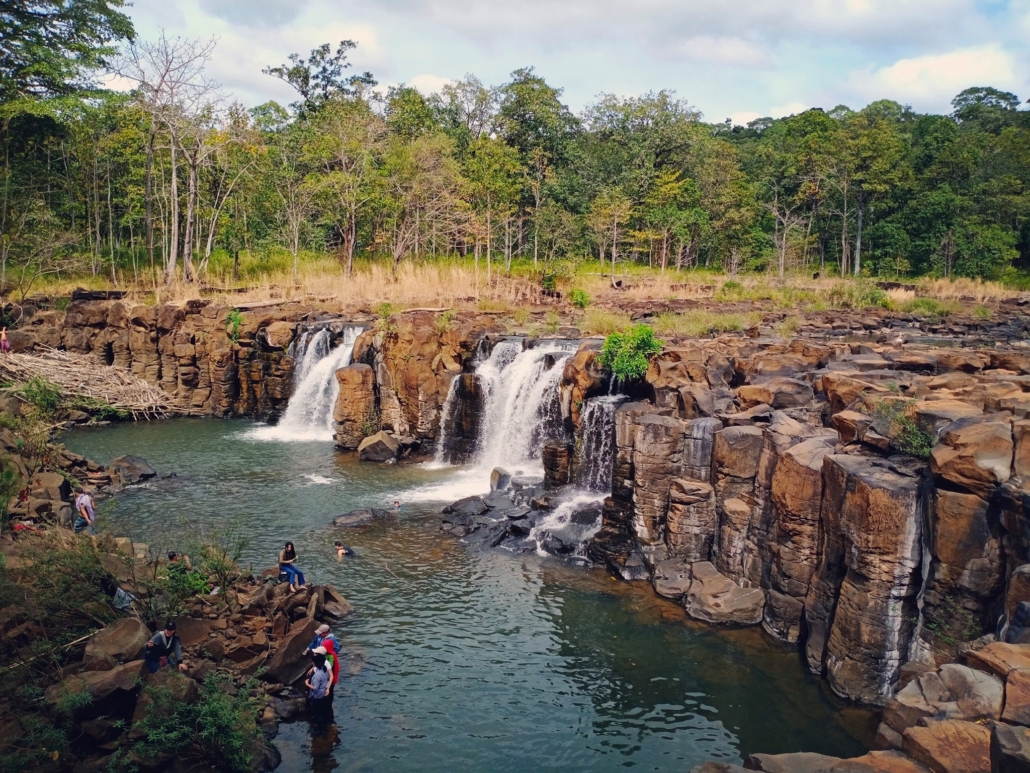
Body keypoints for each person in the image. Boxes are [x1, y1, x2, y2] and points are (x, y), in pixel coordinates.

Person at [305, 652, 332, 731]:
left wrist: (307, 684)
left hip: (317, 696)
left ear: (315, 663)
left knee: (317, 713)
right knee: (322, 712)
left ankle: (320, 729)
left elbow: (315, 688)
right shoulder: (324, 670)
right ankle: (324, 724)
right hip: (323, 694)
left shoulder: (317, 675)